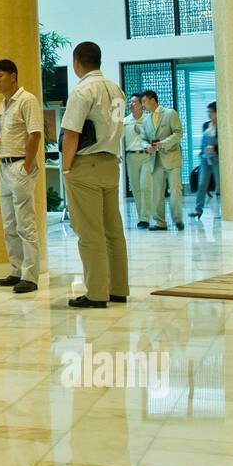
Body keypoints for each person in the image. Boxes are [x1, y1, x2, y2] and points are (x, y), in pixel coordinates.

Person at [60, 41, 129, 308]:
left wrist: (66, 168)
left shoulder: (82, 90)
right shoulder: (116, 89)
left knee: (89, 232)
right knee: (113, 230)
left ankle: (97, 293)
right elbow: (118, 127)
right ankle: (118, 288)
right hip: (111, 163)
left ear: (77, 62)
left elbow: (71, 133)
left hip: (85, 166)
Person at [0, 59, 41, 293]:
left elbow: (35, 134)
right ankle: (16, 270)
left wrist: (27, 165)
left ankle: (30, 275)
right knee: (9, 223)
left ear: (13, 76)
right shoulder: (3, 104)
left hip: (20, 165)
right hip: (4, 165)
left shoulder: (26, 100)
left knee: (25, 222)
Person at [141, 89, 185, 231]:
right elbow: (142, 138)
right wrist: (147, 146)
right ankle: (160, 222)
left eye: (144, 101)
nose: (143, 105)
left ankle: (178, 219)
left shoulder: (170, 113)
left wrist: (163, 143)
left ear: (153, 100)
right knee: (157, 193)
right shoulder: (146, 120)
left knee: (175, 190)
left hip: (172, 158)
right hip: (155, 160)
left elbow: (178, 133)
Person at [122, 93, 153, 229]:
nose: (131, 104)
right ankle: (141, 217)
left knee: (145, 186)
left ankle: (146, 218)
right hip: (131, 157)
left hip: (146, 156)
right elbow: (119, 139)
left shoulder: (148, 119)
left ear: (141, 105)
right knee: (136, 188)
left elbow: (154, 137)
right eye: (130, 102)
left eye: (134, 102)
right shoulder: (125, 121)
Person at [191, 101, 219, 218]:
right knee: (202, 183)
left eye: (211, 112)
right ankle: (198, 209)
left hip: (217, 159)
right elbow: (203, 142)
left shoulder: (222, 125)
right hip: (205, 158)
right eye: (208, 112)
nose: (209, 115)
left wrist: (215, 148)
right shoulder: (206, 125)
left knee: (219, 185)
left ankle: (220, 210)